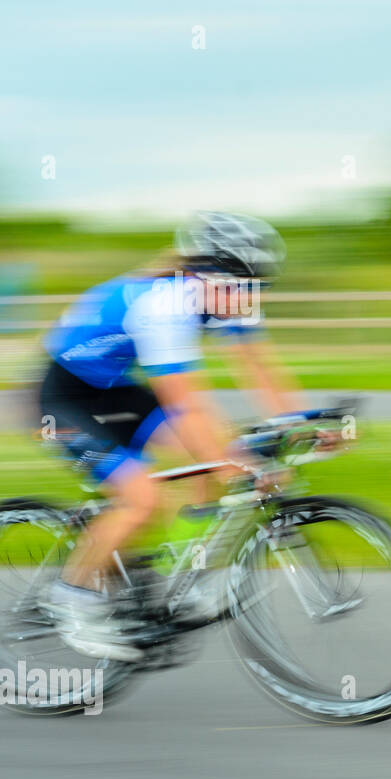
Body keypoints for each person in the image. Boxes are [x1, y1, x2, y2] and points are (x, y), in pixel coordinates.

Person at [36, 212, 305, 661]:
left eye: (258, 284)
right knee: (142, 498)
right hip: (61, 397)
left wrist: (301, 425)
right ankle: (71, 599)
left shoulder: (224, 297)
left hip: (113, 389)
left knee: (208, 462)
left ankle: (186, 570)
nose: (250, 296)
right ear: (204, 273)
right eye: (242, 283)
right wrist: (237, 458)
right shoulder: (163, 307)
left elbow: (261, 370)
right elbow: (186, 404)